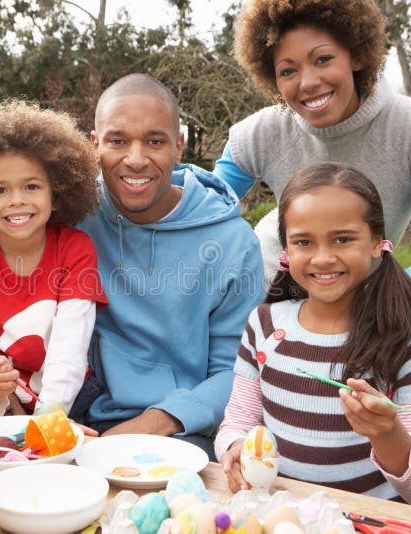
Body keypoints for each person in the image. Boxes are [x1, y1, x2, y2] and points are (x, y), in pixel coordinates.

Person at [215, 162, 411, 509]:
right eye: (304, 242)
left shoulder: (409, 338)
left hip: (365, 522)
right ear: (287, 251)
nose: (323, 258)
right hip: (279, 516)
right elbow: (237, 421)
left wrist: (388, 436)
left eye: (342, 239)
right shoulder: (263, 326)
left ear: (375, 242)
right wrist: (235, 446)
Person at [214, 0, 411, 299]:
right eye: (288, 71)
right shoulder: (260, 133)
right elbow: (197, 215)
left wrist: (372, 297)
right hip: (263, 299)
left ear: (354, 54)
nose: (308, 82)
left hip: (356, 309)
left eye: (324, 59)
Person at [75, 74, 265, 459]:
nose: (135, 158)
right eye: (117, 140)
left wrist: (155, 422)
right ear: (94, 145)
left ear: (178, 146)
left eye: (155, 141)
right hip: (76, 413)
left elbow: (239, 372)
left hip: (180, 429)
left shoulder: (234, 244)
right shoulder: (74, 214)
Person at [0, 100, 108, 419]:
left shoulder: (75, 250)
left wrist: (49, 416)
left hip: (68, 400)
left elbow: (71, 343)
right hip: (2, 405)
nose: (17, 200)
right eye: (0, 190)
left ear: (55, 194)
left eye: (31, 186)